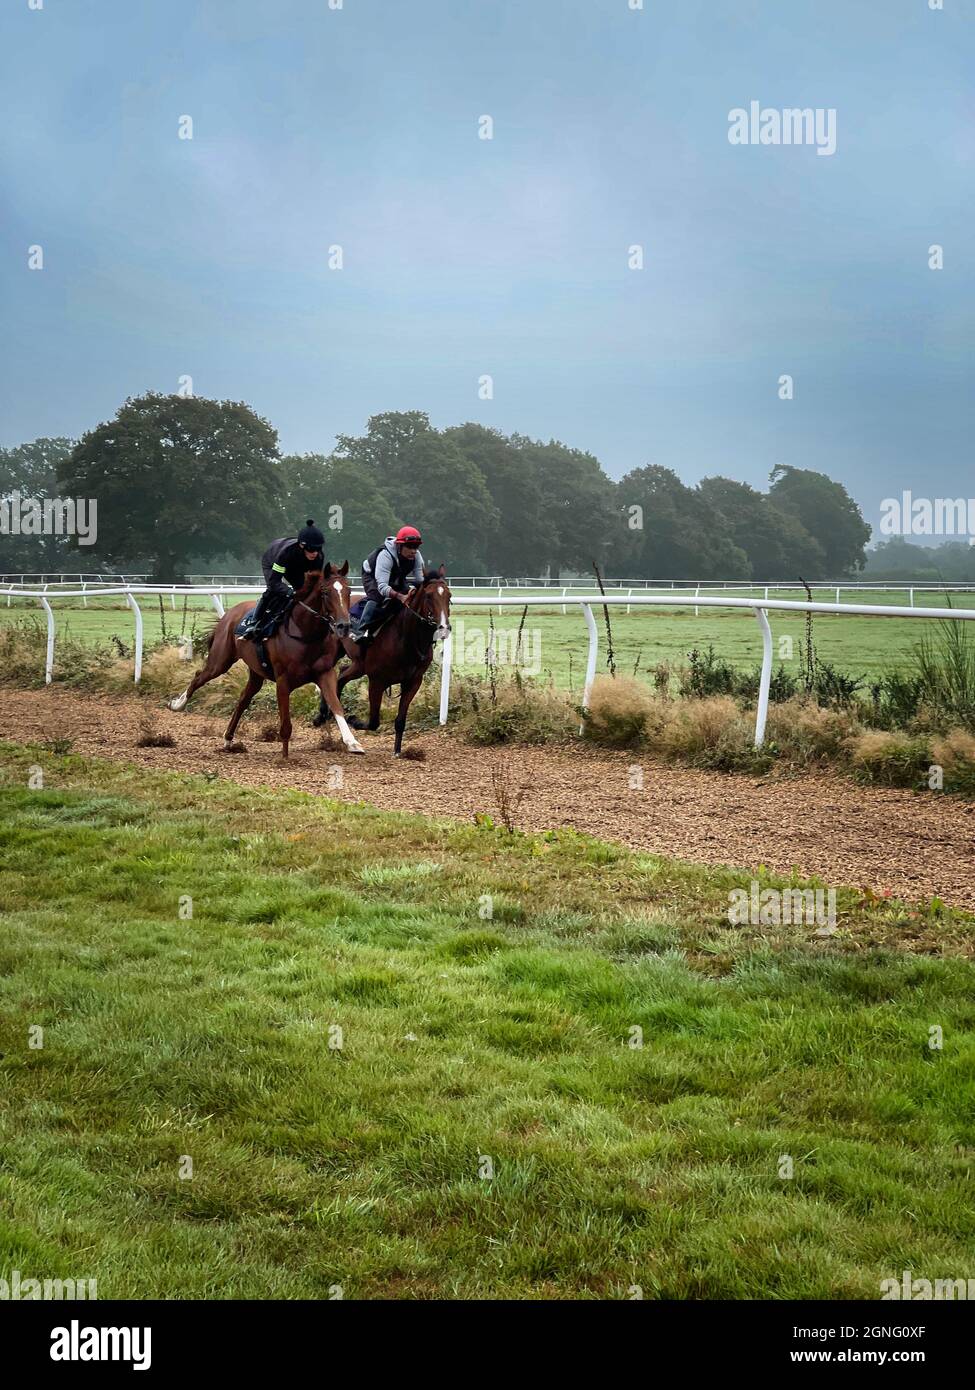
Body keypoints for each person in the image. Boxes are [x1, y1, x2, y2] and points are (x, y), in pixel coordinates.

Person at [238, 520, 326, 639]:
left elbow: (313, 584)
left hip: (296, 566)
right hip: (273, 560)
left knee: (304, 591)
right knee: (274, 591)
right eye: (311, 549)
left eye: (318, 548)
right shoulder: (286, 554)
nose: (315, 553)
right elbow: (274, 582)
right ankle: (255, 622)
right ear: (302, 545)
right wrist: (289, 592)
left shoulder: (319, 557)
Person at [352, 525, 425, 640]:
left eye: (416, 547)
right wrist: (400, 596)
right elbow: (382, 587)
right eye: (410, 546)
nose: (413, 551)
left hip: (395, 575)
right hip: (372, 575)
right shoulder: (386, 555)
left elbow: (420, 579)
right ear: (400, 546)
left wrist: (414, 589)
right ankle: (361, 630)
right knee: (377, 596)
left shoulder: (417, 555)